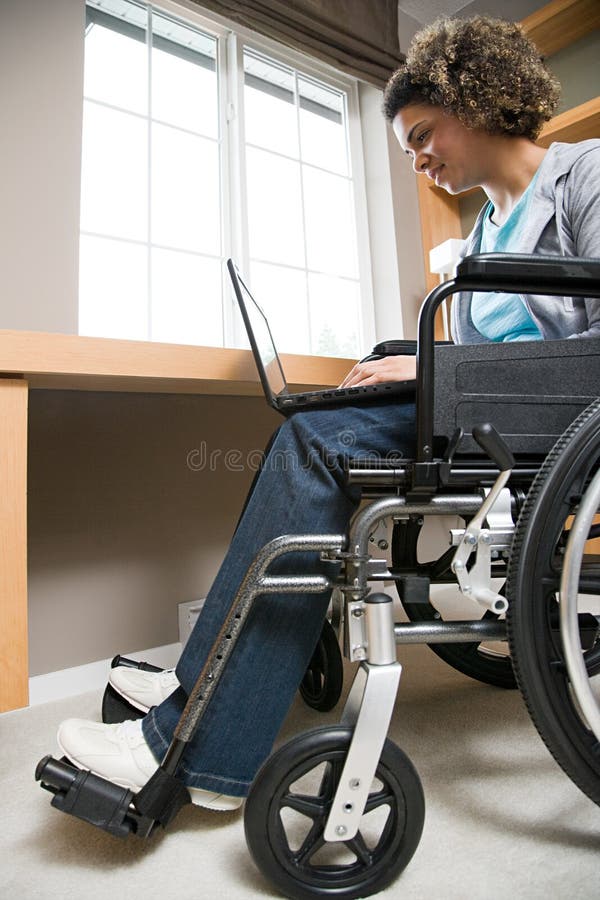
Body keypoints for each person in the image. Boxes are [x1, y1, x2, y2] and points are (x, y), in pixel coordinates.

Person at [56, 15, 600, 810]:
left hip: (557, 425)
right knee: (309, 431)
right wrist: (404, 368)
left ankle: (196, 749)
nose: (416, 159)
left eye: (422, 133)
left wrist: (435, 364)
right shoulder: (481, 233)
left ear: (477, 100)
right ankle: (203, 690)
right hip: (490, 415)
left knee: (315, 441)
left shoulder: (584, 175)